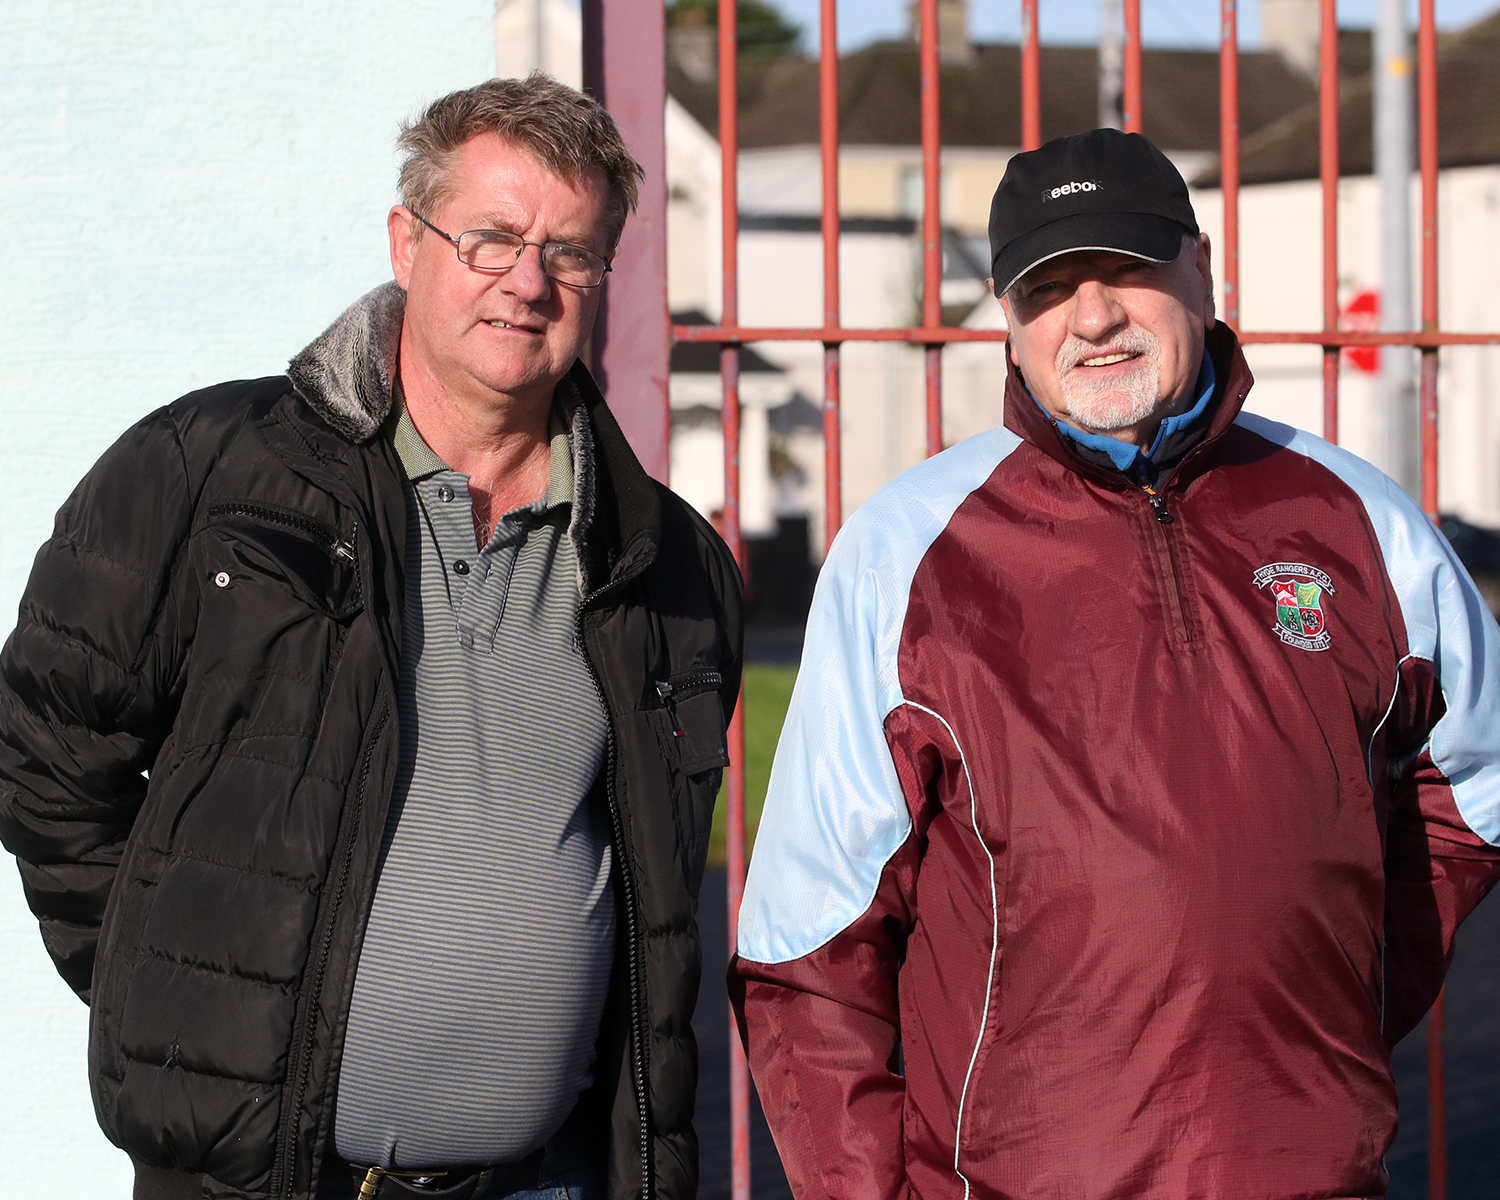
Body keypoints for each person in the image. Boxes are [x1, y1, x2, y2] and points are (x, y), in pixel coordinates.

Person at [0, 74, 741, 1200]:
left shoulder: (667, 565)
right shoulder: (210, 473)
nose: (528, 284)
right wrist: (174, 983)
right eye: (490, 238)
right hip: (251, 1179)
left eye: (570, 252)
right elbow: (44, 750)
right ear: (408, 241)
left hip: (547, 1181)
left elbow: (657, 892)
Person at [729, 128, 1500, 1198]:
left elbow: (1476, 785)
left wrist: (1342, 983)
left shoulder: (1358, 518)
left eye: (1127, 270)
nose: (1092, 317)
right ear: (1007, 315)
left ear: (1202, 267)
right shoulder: (907, 550)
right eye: (1050, 287)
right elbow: (807, 947)